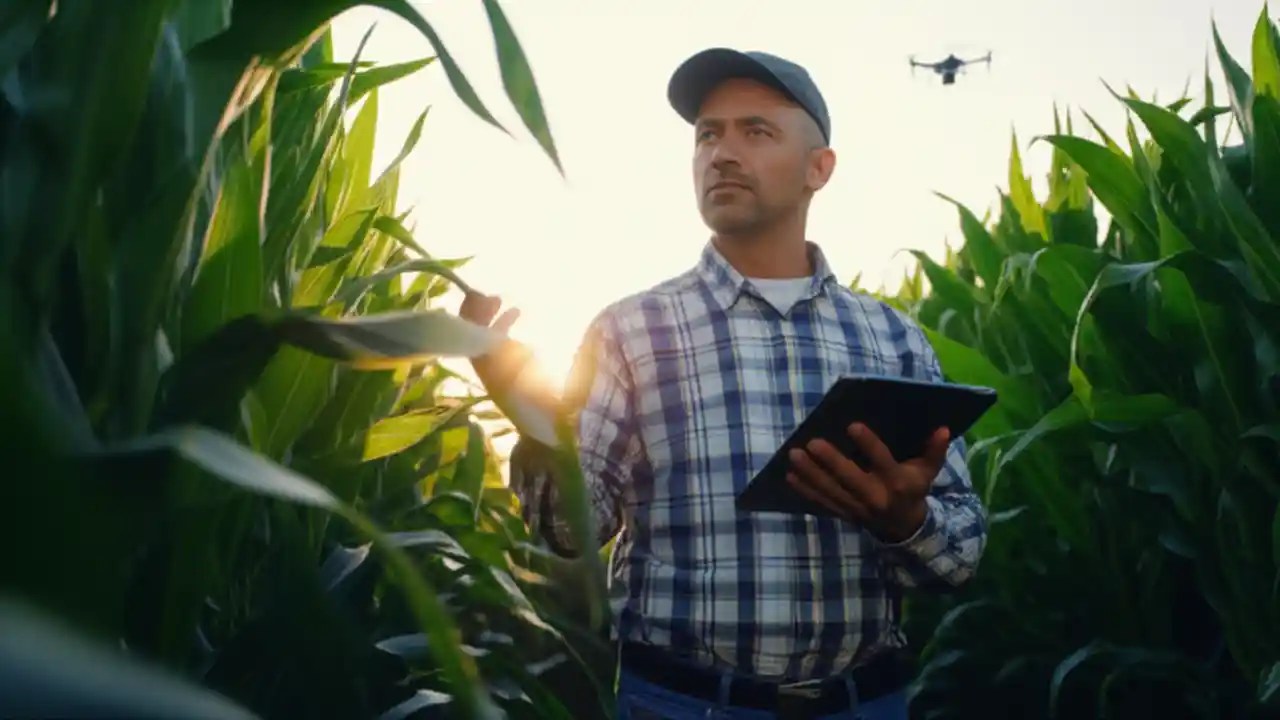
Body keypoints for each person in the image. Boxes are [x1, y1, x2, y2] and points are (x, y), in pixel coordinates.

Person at [463, 48, 987, 720]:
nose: (722, 152)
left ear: (818, 169)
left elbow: (961, 558)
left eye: (756, 131)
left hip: (865, 704)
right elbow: (572, 532)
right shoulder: (630, 332)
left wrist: (904, 521)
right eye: (708, 133)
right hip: (680, 706)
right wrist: (535, 424)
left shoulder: (893, 341)